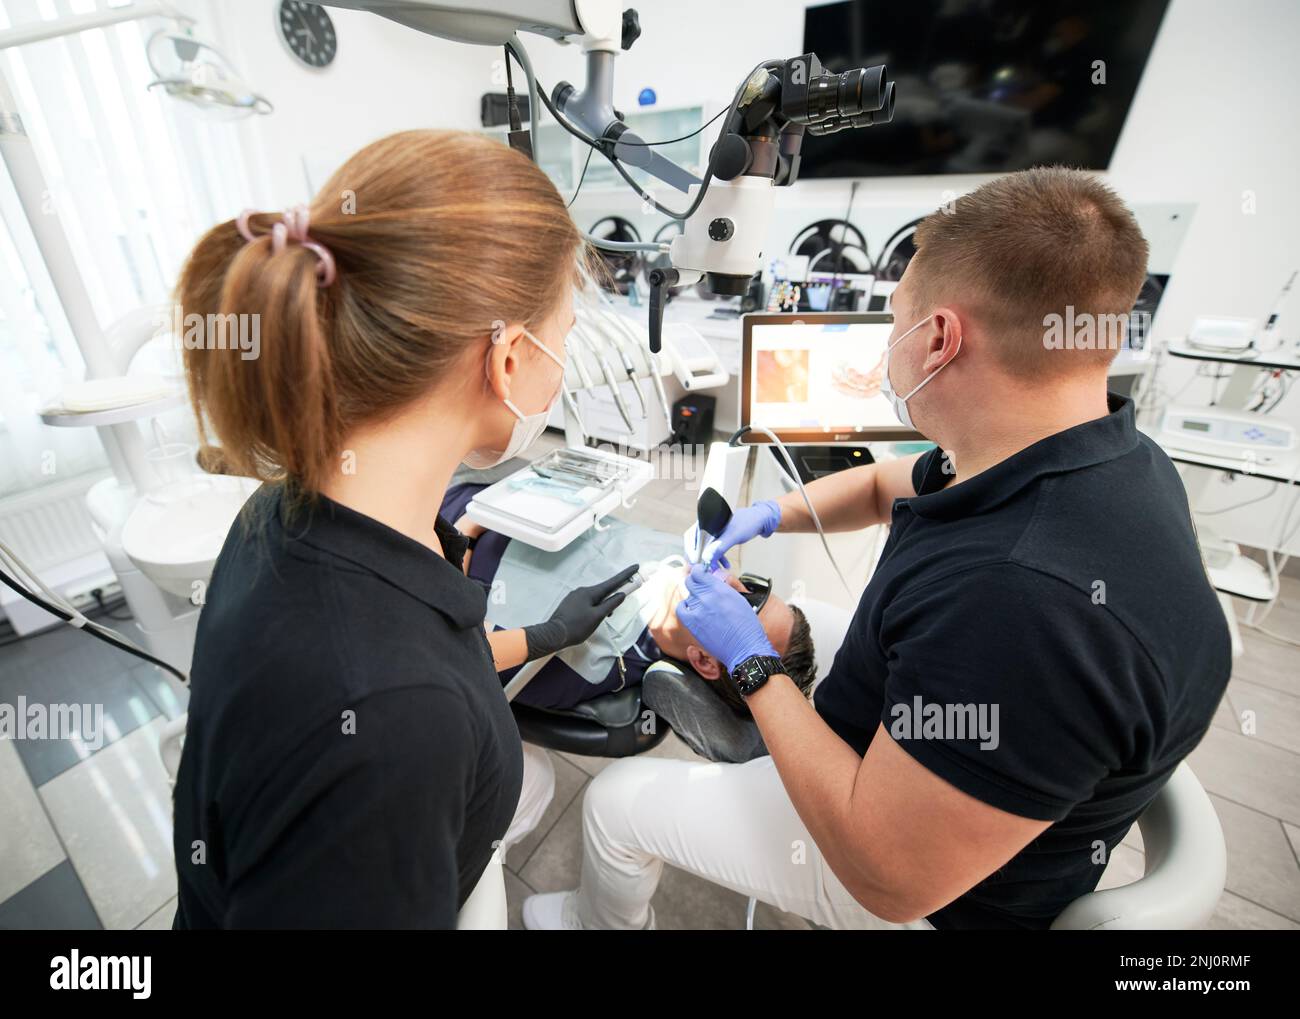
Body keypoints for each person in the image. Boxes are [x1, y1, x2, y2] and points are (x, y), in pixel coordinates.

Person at [523, 166, 1232, 931]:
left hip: (915, 880)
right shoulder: (1079, 451)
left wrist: (756, 668)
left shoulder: (1021, 601)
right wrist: (767, 515)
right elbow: (877, 488)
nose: (886, 341)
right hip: (957, 744)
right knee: (810, 615)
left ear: (939, 338)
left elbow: (886, 877)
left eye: (893, 318)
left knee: (615, 805)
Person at [170, 129, 632, 928]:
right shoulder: (388, 731)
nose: (564, 360)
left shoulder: (279, 516)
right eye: (565, 333)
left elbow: (423, 659)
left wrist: (544, 631)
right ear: (512, 359)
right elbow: (401, 693)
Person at [439, 481, 818, 764]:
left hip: (434, 531)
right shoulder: (676, 553)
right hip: (486, 491)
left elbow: (444, 635)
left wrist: (468, 530)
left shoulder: (587, 663)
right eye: (754, 589)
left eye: (742, 608)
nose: (732, 582)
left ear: (703, 660)